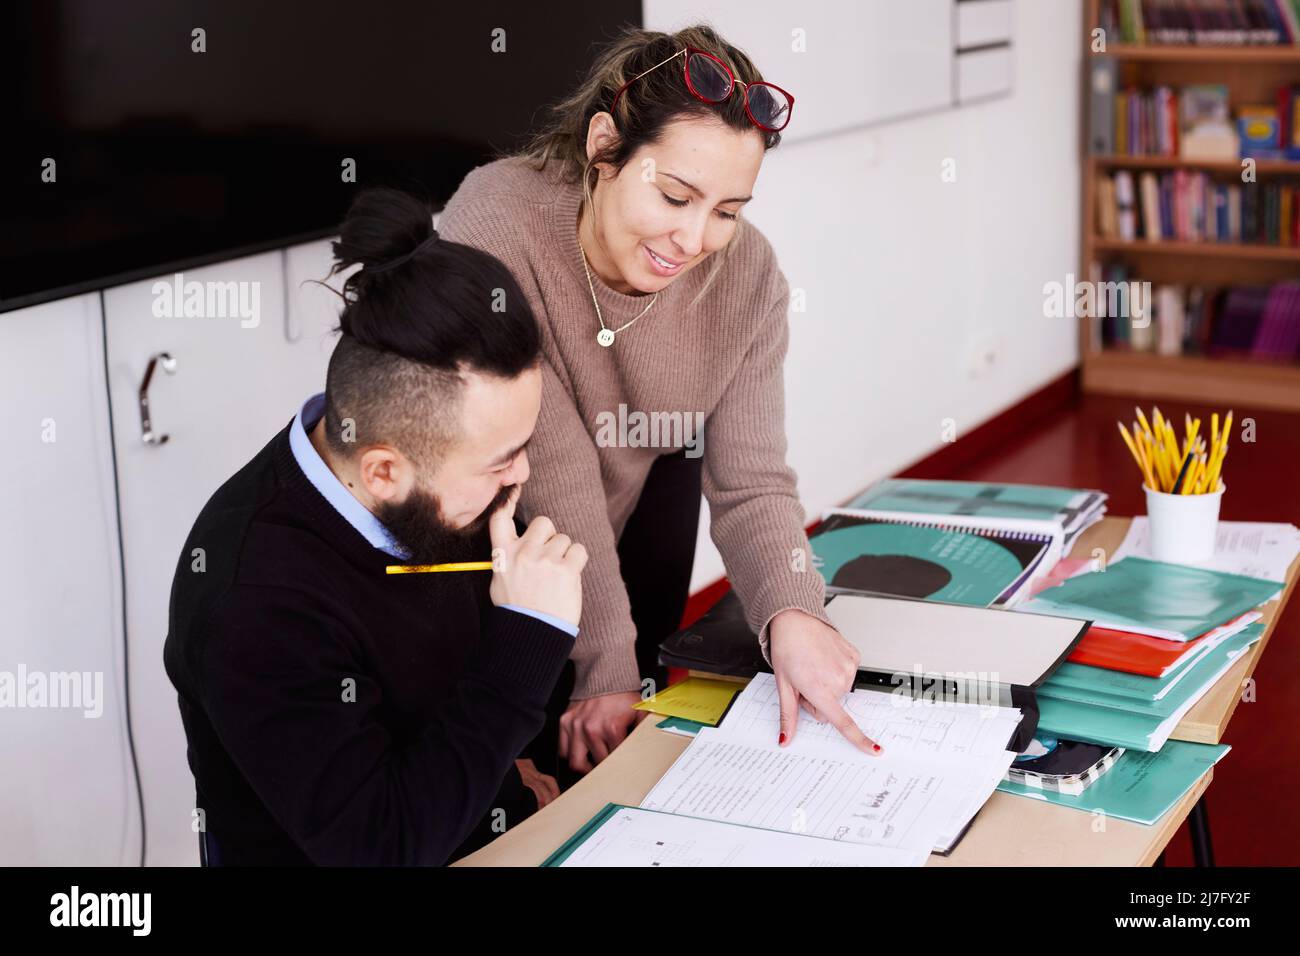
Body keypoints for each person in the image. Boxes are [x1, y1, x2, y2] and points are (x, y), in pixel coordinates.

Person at [437, 24, 877, 776]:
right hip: (481, 545)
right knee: (507, 770)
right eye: (675, 195)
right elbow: (552, 463)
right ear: (605, 146)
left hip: (630, 501)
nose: (695, 238)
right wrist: (607, 663)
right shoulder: (498, 220)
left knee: (613, 751)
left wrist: (794, 610)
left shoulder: (748, 278)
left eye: (728, 210)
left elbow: (753, 478)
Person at [163, 187, 587, 865]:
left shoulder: (434, 487)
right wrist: (526, 645)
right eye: (501, 459)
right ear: (385, 471)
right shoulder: (252, 601)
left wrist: (501, 780)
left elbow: (448, 709)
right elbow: (380, 847)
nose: (522, 475)